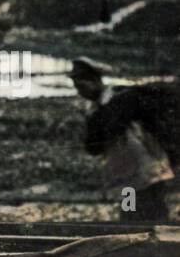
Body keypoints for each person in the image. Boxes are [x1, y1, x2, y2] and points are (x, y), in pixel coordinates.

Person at [72, 58, 179, 223]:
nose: (80, 92)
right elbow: (94, 145)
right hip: (126, 176)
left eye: (81, 85)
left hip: (146, 171)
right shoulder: (98, 107)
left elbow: (101, 136)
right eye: (77, 87)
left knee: (154, 217)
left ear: (95, 80)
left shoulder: (120, 100)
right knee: (130, 217)